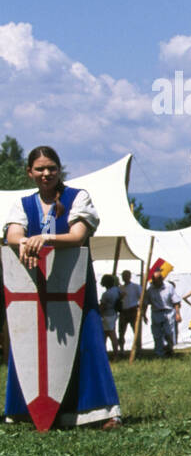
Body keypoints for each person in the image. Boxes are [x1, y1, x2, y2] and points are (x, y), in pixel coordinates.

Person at [3, 146, 122, 428]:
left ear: (59, 169)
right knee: (30, 345)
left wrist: (45, 239)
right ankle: (27, 410)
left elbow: (78, 235)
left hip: (73, 285)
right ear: (30, 172)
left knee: (86, 340)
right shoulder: (23, 204)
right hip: (34, 288)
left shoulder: (77, 197)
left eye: (51, 168)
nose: (46, 174)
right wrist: (24, 242)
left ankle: (99, 411)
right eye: (40, 169)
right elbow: (13, 234)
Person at [144, 271, 182, 358]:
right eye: (153, 280)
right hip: (156, 312)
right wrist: (144, 315)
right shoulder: (150, 289)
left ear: (161, 279)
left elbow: (176, 301)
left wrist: (177, 314)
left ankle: (169, 349)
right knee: (157, 334)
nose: (153, 282)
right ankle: (159, 353)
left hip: (168, 312)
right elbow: (146, 302)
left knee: (169, 333)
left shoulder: (169, 287)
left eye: (155, 280)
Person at [116, 270, 141, 352]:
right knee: (121, 331)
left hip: (133, 310)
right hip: (123, 312)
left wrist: (141, 309)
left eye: (126, 276)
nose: (124, 277)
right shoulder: (120, 288)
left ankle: (137, 348)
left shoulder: (136, 287)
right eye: (123, 276)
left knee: (136, 331)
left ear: (130, 276)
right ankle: (121, 349)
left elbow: (142, 297)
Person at [99, 274, 122, 358]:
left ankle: (115, 354)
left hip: (107, 315)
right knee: (108, 335)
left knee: (111, 335)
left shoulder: (106, 294)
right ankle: (113, 354)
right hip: (114, 314)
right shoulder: (117, 290)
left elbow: (102, 307)